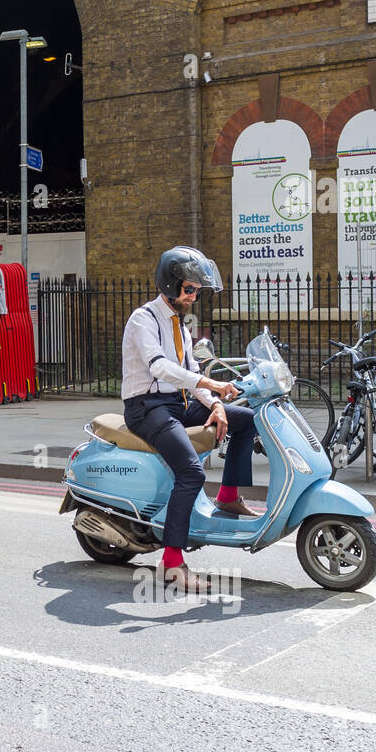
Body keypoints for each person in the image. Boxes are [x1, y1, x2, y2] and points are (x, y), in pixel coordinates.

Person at [121, 246, 257, 593]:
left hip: (177, 402)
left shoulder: (179, 325)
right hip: (147, 408)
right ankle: (171, 564)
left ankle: (227, 495)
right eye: (190, 289)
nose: (195, 296)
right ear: (169, 285)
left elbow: (190, 372)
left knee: (246, 419)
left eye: (198, 290)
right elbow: (160, 367)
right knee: (191, 472)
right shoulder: (143, 320)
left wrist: (214, 404)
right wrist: (208, 384)